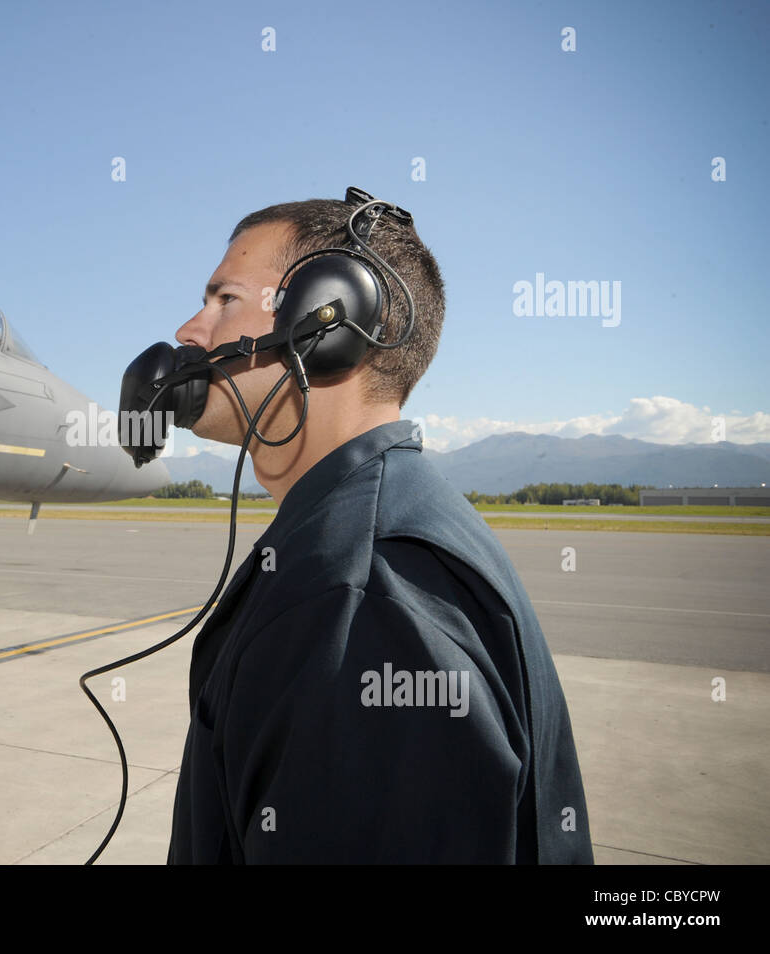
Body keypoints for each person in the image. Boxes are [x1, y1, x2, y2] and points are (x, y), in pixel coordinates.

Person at [165, 195, 593, 863]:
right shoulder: (374, 528)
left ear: (324, 320)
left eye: (224, 300)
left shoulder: (358, 598)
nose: (190, 330)